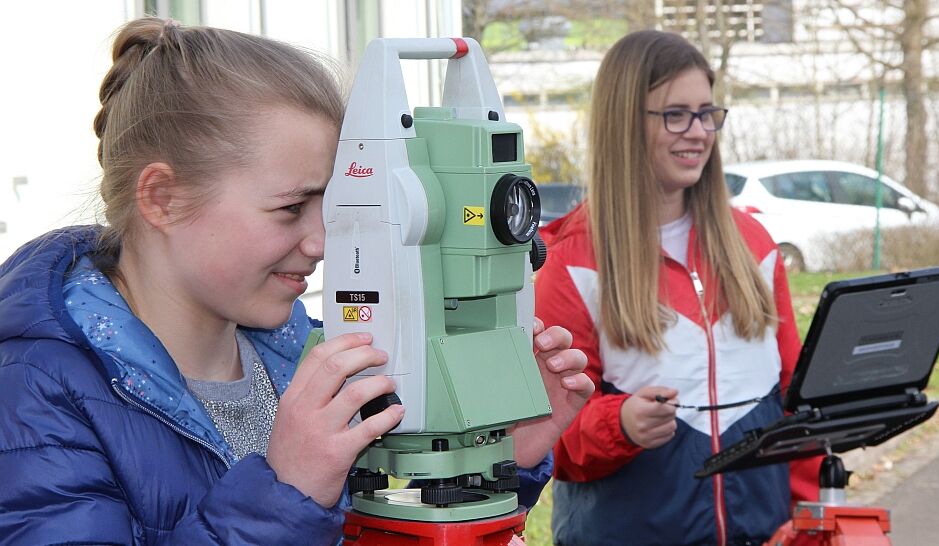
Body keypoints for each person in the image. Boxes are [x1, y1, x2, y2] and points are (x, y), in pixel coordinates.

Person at [0, 18, 593, 545]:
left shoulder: (306, 356)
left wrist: (497, 462)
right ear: (164, 198)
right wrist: (286, 493)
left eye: (332, 208)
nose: (321, 241)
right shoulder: (37, 392)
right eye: (290, 209)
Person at [534, 30, 820, 546]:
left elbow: (793, 403)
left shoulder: (753, 245)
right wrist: (619, 424)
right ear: (624, 122)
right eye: (675, 114)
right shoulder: (572, 262)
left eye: (707, 113)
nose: (698, 132)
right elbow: (544, 439)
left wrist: (808, 519)